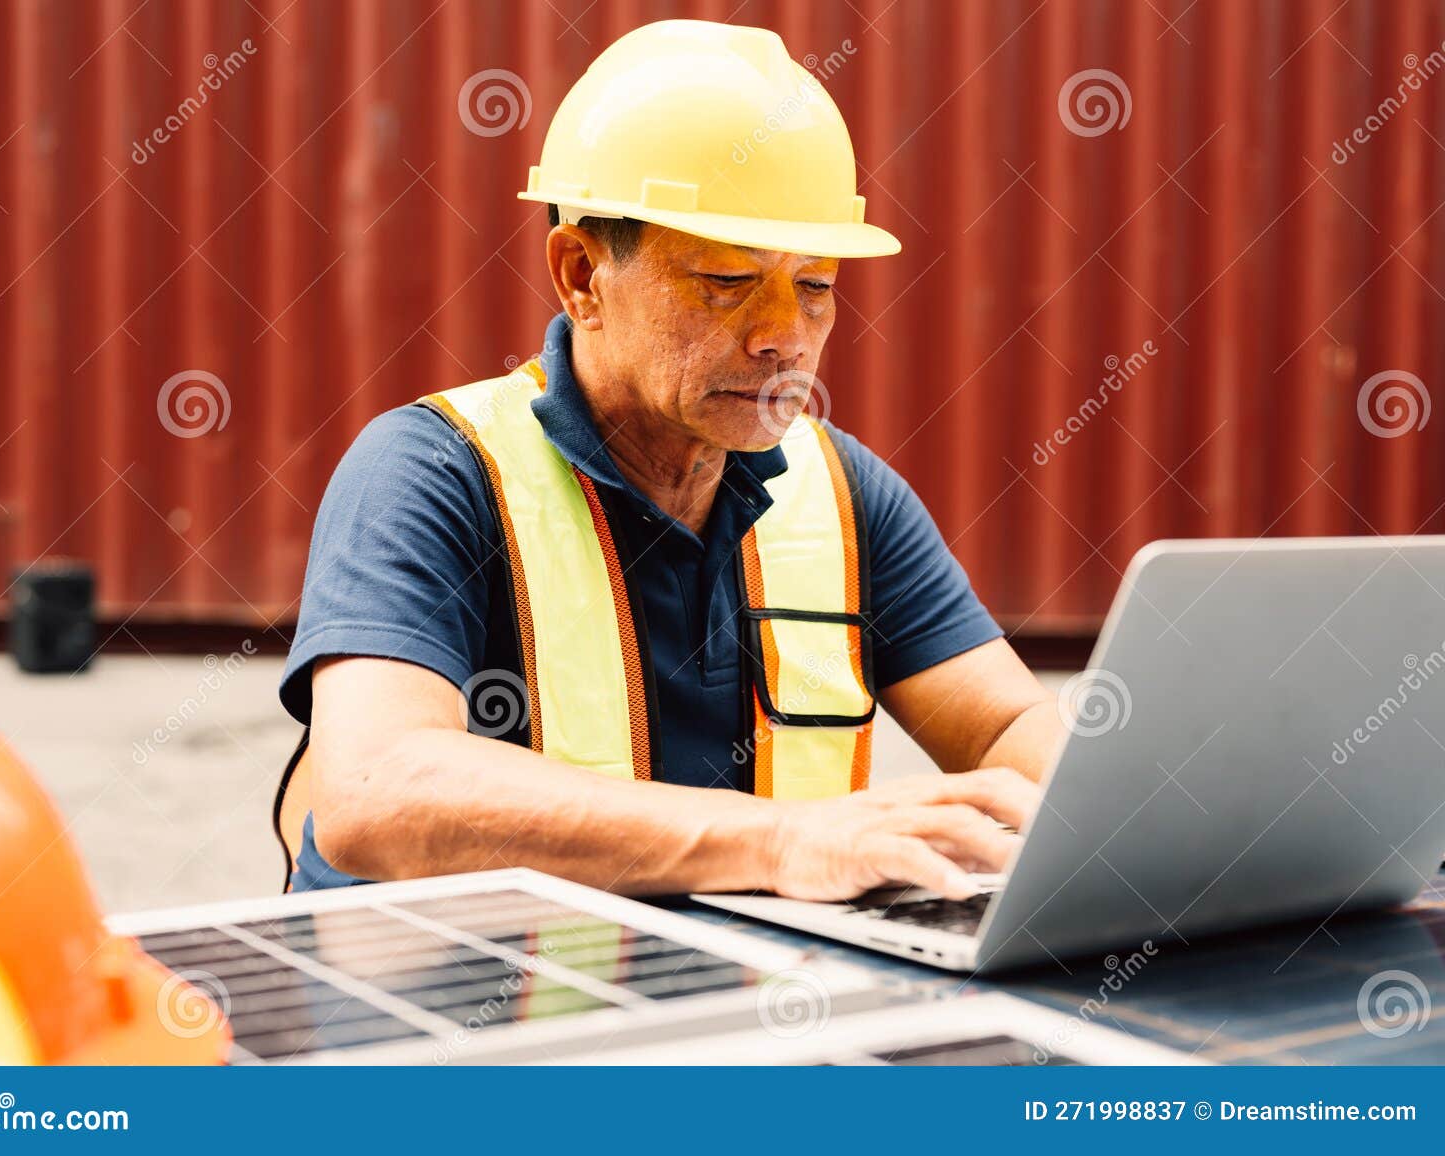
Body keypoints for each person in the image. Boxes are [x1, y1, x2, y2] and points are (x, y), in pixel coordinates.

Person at [276, 19, 1060, 901]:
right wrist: (779, 843)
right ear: (581, 276)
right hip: (443, 1023)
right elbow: (373, 792)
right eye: (725, 282)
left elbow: (1004, 728)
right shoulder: (432, 473)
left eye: (814, 288)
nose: (781, 339)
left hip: (733, 1009)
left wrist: (1154, 823)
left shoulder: (842, 495)